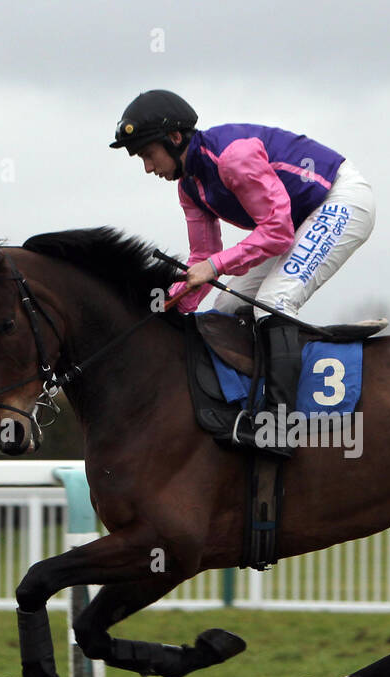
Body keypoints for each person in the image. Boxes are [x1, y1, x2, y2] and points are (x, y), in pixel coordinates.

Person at [110, 89, 375, 454]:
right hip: (296, 220)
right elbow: (203, 256)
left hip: (339, 200)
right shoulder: (189, 187)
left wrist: (212, 267)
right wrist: (168, 305)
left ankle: (279, 427)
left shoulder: (233, 158)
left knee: (274, 300)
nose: (148, 168)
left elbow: (276, 233)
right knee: (227, 308)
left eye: (147, 154)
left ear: (174, 138)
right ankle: (244, 405)